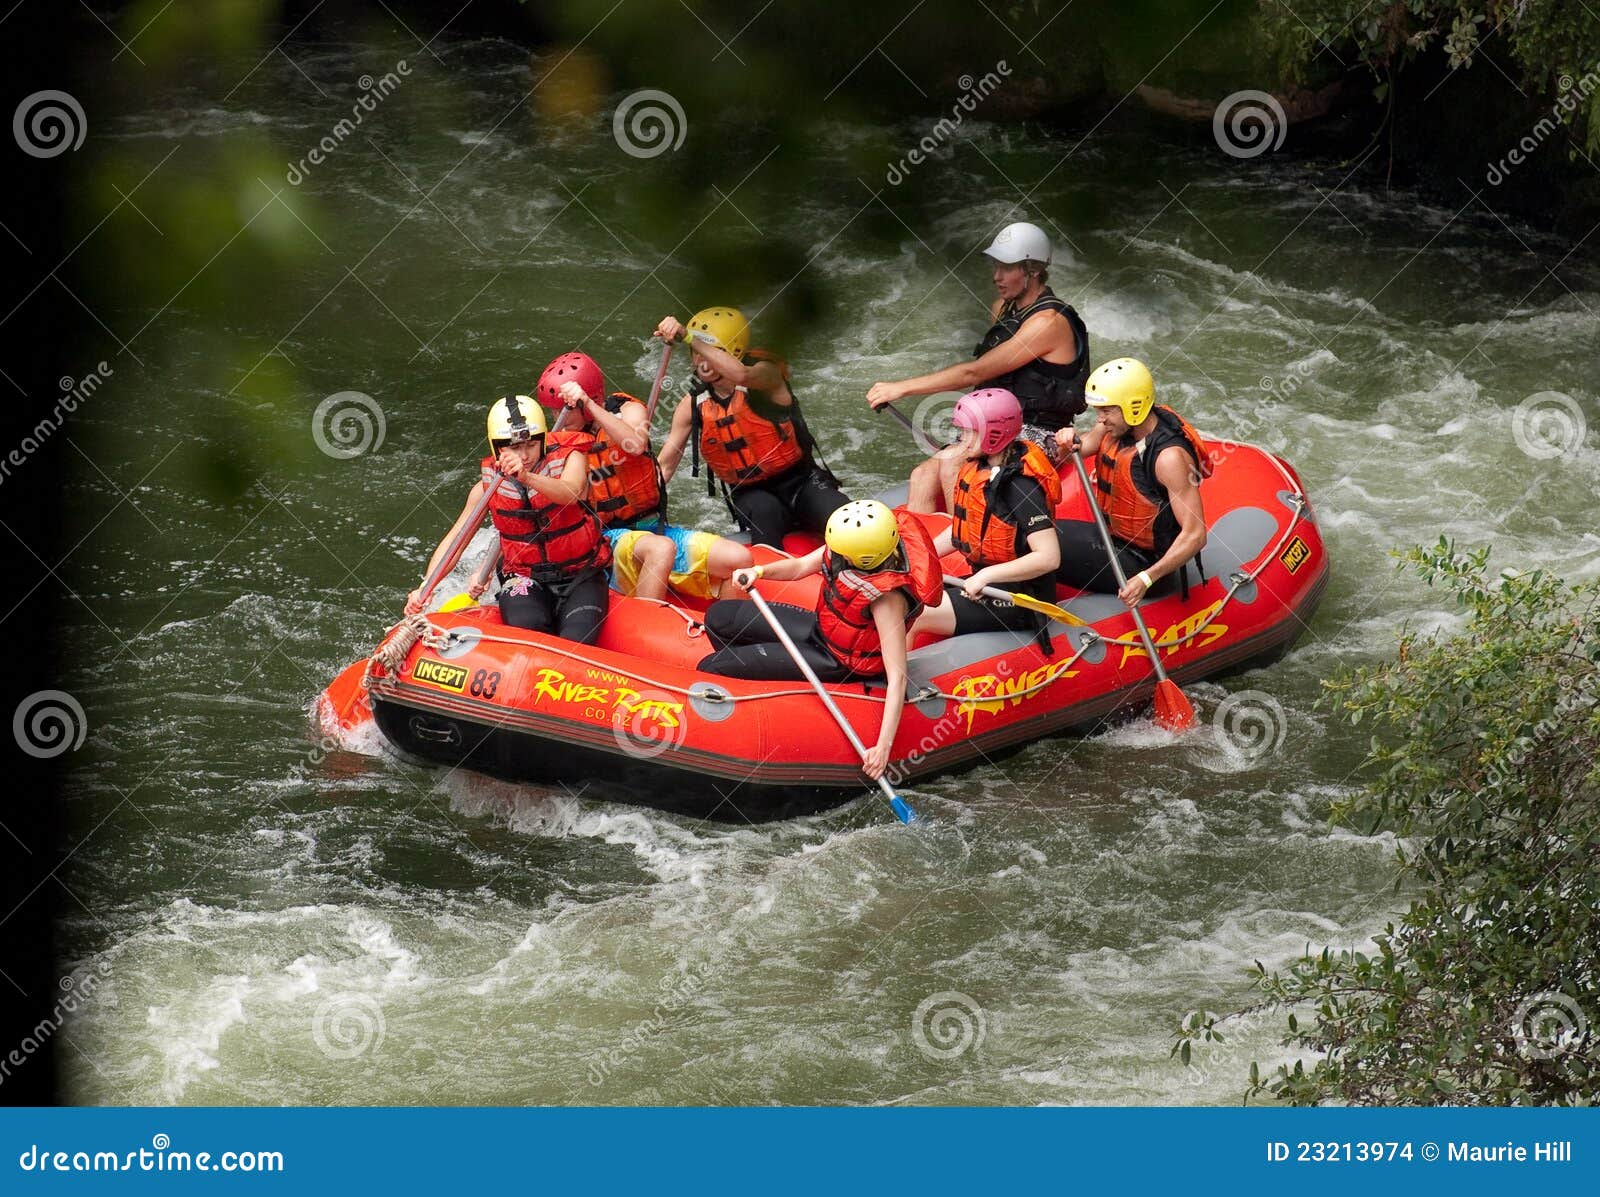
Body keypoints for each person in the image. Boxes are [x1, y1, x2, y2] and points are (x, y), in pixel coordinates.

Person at [698, 500, 942, 778]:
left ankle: (752, 697)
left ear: (863, 557)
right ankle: (757, 675)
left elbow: (897, 676)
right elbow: (800, 566)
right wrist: (759, 572)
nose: (834, 551)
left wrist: (883, 748)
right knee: (720, 617)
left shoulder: (888, 599)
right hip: (820, 631)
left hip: (840, 663)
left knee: (712, 666)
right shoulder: (850, 549)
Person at [865, 221, 1090, 512]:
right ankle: (922, 540)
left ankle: (963, 537)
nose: (997, 276)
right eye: (995, 266)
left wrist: (901, 388)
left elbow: (976, 372)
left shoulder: (1048, 323)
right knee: (921, 476)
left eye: (1006, 268)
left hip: (1039, 431)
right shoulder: (1003, 309)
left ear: (1033, 270)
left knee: (953, 468)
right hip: (994, 427)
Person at [536, 350, 753, 602]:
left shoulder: (628, 409)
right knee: (660, 550)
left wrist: (589, 405)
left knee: (738, 559)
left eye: (565, 410)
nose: (558, 419)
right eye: (553, 412)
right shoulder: (558, 443)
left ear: (590, 399)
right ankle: (649, 618)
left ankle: (724, 623)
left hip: (653, 529)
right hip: (602, 543)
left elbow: (635, 444)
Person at [407, 394, 610, 643]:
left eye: (531, 445)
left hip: (581, 575)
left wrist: (527, 477)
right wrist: (427, 586)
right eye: (514, 448)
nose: (524, 456)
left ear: (543, 440)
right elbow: (456, 542)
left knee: (578, 640)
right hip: (524, 579)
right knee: (528, 633)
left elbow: (571, 492)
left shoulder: (571, 459)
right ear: (498, 449)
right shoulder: (486, 489)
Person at [655, 306, 851, 548]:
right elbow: (665, 466)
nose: (699, 360)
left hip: (801, 481)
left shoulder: (766, 376)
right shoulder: (692, 404)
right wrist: (636, 509)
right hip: (751, 493)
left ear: (734, 351)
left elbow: (742, 375)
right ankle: (770, 564)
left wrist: (689, 336)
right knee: (766, 511)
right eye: (694, 352)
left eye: (709, 351)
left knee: (845, 519)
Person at [1054, 358, 1209, 608]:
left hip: (1145, 564)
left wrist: (1146, 578)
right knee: (1035, 532)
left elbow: (1196, 535)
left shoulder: (1169, 458)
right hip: (1112, 538)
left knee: (1038, 545)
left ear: (1133, 407)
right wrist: (1066, 442)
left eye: (1106, 411)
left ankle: (1029, 614)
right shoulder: (1119, 424)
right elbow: (1081, 450)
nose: (1100, 419)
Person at [911, 387, 1062, 641]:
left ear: (994, 434)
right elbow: (965, 527)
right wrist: (920, 556)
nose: (961, 437)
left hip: (1022, 597)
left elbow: (1049, 557)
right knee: (904, 595)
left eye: (969, 431)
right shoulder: (979, 469)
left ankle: (893, 668)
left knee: (915, 613)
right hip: (990, 583)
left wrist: (985, 576)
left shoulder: (1020, 485)